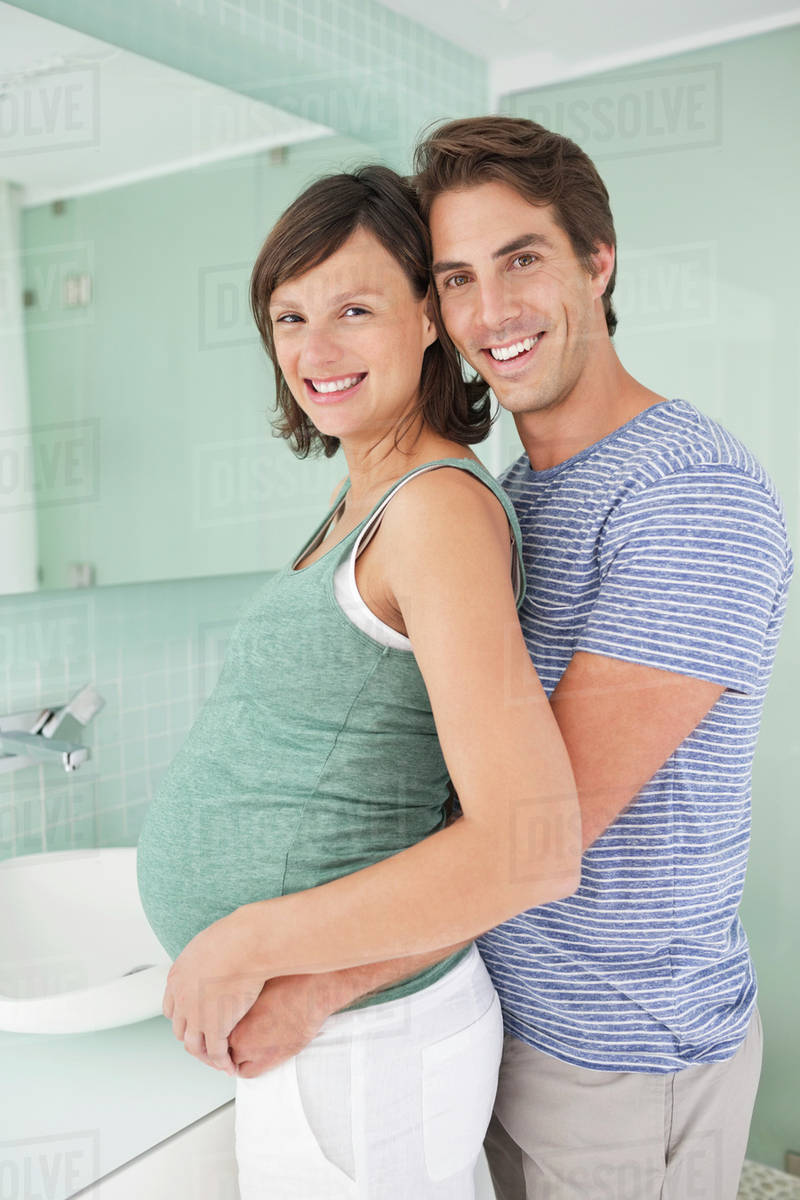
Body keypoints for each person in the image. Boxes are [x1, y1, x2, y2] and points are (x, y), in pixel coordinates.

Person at [218, 119, 794, 1200]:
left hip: (618, 1059)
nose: (491, 312)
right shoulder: (513, 492)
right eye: (454, 278)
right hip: (491, 1017)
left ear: (595, 259)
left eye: (520, 259)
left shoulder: (687, 496)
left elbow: (539, 831)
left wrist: (300, 974)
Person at [136, 163, 581, 1199]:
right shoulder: (367, 494)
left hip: (367, 1043)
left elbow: (532, 845)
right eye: (289, 316)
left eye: (353, 309)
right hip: (336, 1037)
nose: (314, 349)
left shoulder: (431, 511)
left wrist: (248, 937)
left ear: (428, 317)